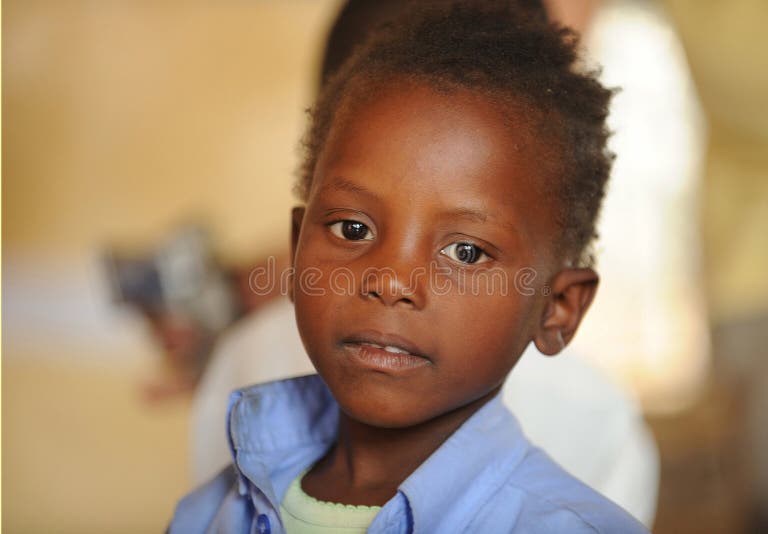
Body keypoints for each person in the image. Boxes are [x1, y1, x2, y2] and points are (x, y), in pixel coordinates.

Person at [168, 2, 648, 532]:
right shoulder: (213, 512)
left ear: (558, 308)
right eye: (353, 229)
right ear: (297, 247)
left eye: (465, 251)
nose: (390, 280)